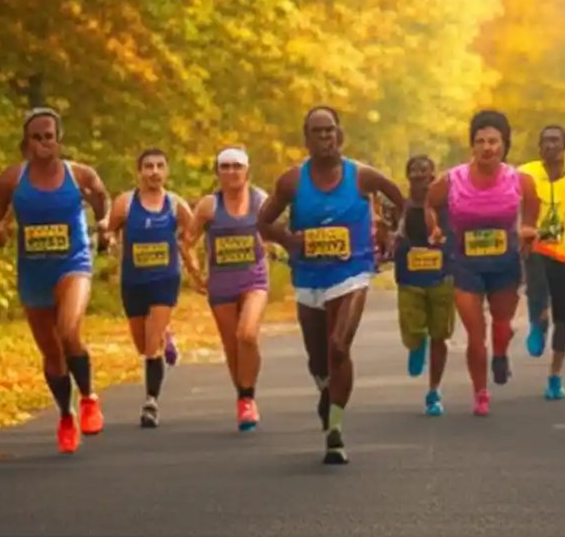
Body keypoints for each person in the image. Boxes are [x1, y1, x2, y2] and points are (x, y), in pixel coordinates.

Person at [257, 106, 404, 465]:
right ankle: (326, 390)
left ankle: (335, 430)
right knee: (318, 358)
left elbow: (398, 199)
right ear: (306, 139)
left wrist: (389, 231)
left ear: (340, 135)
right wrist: (291, 241)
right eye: (317, 132)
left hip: (352, 271)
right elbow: (264, 223)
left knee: (338, 345)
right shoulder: (292, 181)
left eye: (330, 131)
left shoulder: (361, 177)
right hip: (309, 276)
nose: (325, 138)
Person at [0, 107, 111, 454]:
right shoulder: (12, 179)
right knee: (52, 353)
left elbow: (103, 200)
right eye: (37, 137)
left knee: (69, 330)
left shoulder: (80, 175)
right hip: (33, 273)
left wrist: (103, 227)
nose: (44, 143)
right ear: (26, 142)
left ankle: (88, 397)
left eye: (50, 136)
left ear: (59, 139)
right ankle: (65, 414)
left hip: (73, 263)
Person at [426, 110, 539, 417]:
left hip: (505, 263)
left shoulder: (520, 180)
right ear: (472, 146)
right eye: (480, 141)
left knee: (501, 325)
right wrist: (434, 228)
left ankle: (501, 352)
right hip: (465, 264)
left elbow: (532, 206)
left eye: (493, 141)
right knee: (476, 335)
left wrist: (528, 229)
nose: (487, 147)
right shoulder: (452, 179)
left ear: (504, 145)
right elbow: (429, 204)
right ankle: (481, 392)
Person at [103, 148, 198, 428]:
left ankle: (150, 402)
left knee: (151, 349)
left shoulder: (175, 205)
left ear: (167, 172)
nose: (154, 171)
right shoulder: (126, 204)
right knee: (142, 344)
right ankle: (166, 334)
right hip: (133, 281)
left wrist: (196, 273)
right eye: (148, 166)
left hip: (165, 280)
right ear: (140, 172)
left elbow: (189, 239)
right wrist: (107, 238)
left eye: (159, 166)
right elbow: (109, 231)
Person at [187, 146, 271, 432]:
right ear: (218, 172)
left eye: (237, 166)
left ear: (247, 170)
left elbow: (279, 230)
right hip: (221, 284)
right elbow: (185, 241)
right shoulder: (209, 206)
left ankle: (248, 396)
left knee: (246, 334)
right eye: (225, 167)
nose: (232, 172)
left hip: (254, 281)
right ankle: (244, 399)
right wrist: (197, 275)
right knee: (232, 346)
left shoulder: (261, 201)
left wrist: (274, 245)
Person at [518, 125, 565, 400]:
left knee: (562, 316)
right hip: (535, 245)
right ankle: (538, 321)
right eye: (545, 140)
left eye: (555, 140)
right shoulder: (524, 174)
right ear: (539, 147)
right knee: (537, 288)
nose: (550, 145)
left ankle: (555, 376)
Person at [394, 154, 454, 416]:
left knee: (440, 335)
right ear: (408, 176)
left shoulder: (446, 206)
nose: (420, 174)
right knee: (413, 331)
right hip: (409, 280)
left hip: (442, 278)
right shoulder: (400, 208)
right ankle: (417, 346)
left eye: (425, 170)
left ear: (434, 175)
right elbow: (384, 234)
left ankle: (434, 391)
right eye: (414, 170)